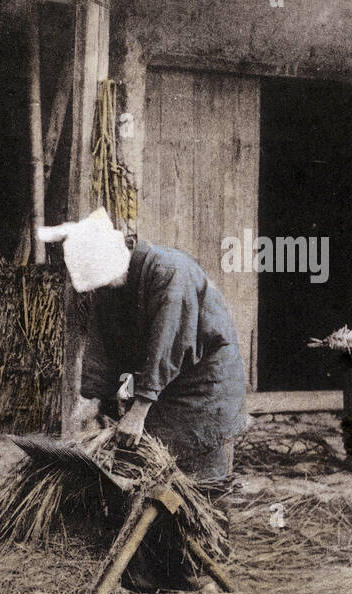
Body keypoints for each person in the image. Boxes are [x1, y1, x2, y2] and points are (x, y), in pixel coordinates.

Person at [42, 208, 248, 490]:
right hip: (166, 383)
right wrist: (93, 399)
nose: (105, 288)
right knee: (145, 473)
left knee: (199, 485)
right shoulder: (112, 287)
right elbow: (103, 346)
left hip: (204, 385)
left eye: (106, 279)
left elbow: (170, 343)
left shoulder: (169, 272)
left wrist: (139, 410)